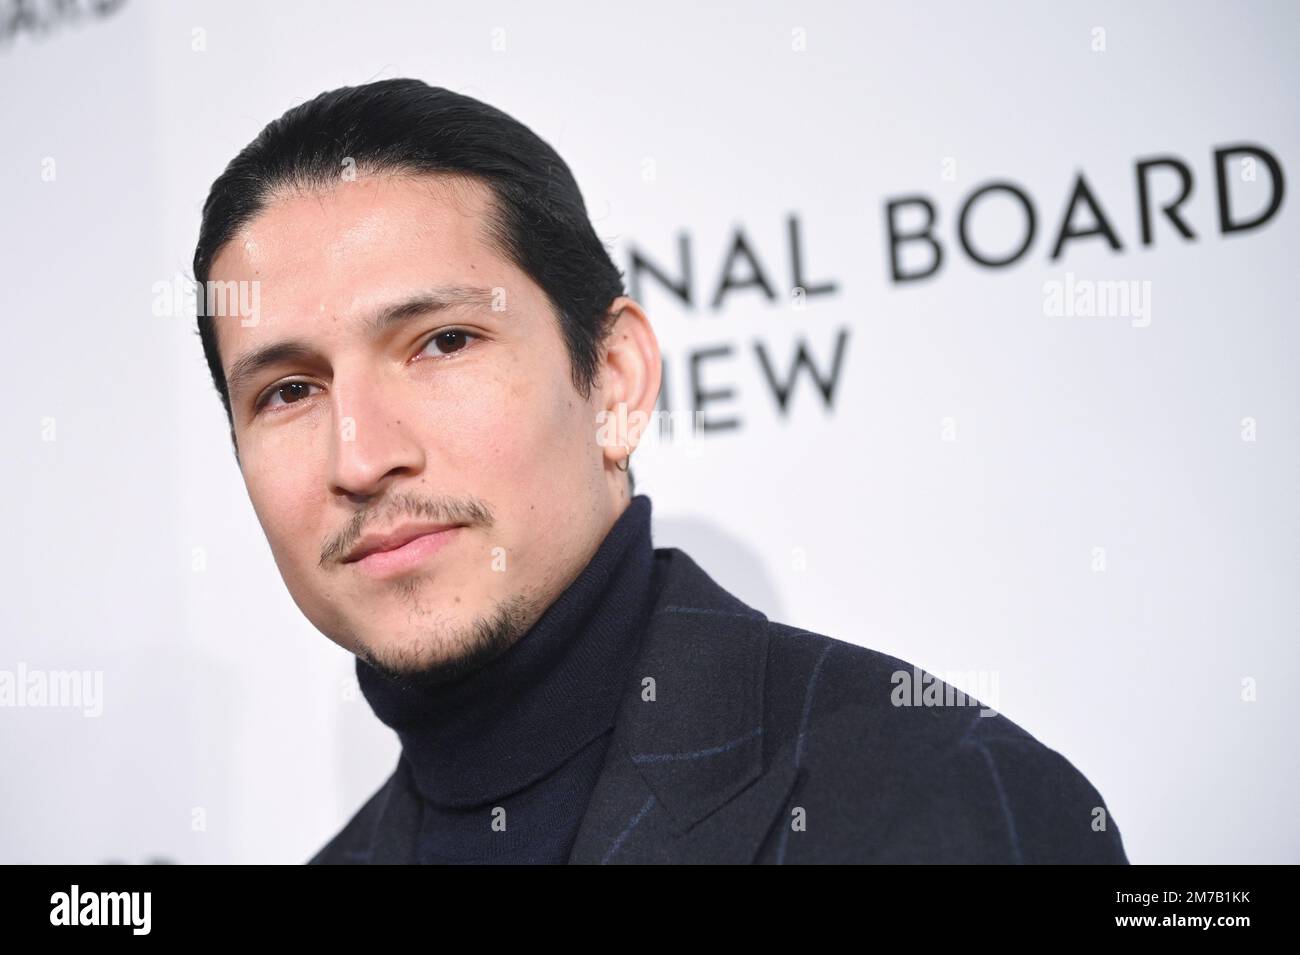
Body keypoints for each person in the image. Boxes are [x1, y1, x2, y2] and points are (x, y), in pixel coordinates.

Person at [192, 78, 1129, 864]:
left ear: (616, 381)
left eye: (442, 342)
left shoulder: (943, 802)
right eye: (287, 392)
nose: (360, 455)